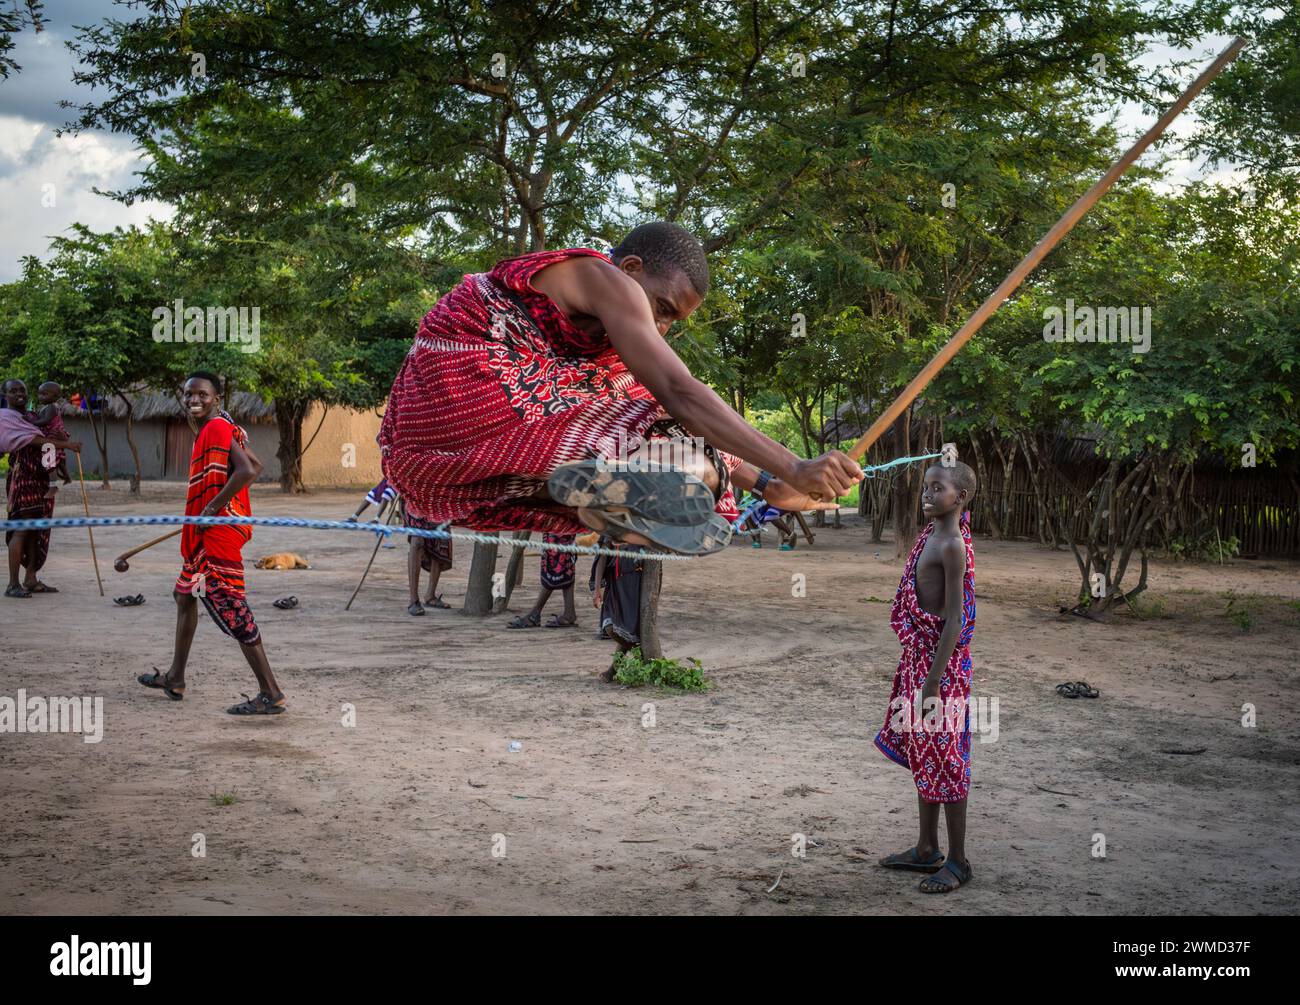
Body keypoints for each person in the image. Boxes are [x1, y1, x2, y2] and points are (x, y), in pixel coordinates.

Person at [379, 222, 857, 554]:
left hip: (430, 447)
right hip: (470, 387)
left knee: (691, 461)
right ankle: (635, 497)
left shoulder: (597, 346)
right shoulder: (605, 279)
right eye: (665, 308)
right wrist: (794, 466)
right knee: (683, 444)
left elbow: (656, 401)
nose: (663, 326)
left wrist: (771, 486)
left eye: (674, 320)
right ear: (630, 268)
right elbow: (678, 392)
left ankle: (623, 498)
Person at [137, 372, 287, 714]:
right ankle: (175, 677)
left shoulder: (216, 427)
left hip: (216, 535)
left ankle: (271, 693)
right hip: (210, 531)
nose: (194, 400)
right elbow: (258, 464)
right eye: (189, 394)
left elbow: (248, 470)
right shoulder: (219, 427)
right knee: (184, 594)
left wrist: (212, 508)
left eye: (202, 394)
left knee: (233, 609)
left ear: (216, 398)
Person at [874, 461, 978, 893]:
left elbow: (955, 619)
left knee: (947, 760)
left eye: (939, 489)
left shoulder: (953, 544)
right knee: (925, 755)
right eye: (926, 487)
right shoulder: (930, 535)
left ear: (962, 498)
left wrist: (933, 682)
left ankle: (957, 861)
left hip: (942, 667)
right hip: (920, 663)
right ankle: (925, 848)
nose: (928, 494)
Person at [2, 379, 81, 598]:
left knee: (36, 530)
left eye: (22, 390)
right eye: (13, 391)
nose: (19, 394)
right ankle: (12, 584)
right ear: (5, 395)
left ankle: (30, 578)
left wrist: (60, 438)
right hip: (23, 480)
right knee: (22, 528)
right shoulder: (7, 418)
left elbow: (49, 438)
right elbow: (35, 441)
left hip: (41, 481)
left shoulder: (34, 416)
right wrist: (67, 445)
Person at [589, 536, 646, 682]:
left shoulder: (642, 526)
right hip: (615, 584)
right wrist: (596, 590)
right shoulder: (612, 524)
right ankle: (643, 658)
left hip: (635, 584)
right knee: (610, 627)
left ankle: (613, 670)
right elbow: (603, 556)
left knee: (626, 629)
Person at [506, 532, 578, 629]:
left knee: (555, 562)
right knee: (564, 563)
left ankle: (534, 614)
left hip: (559, 523)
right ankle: (569, 612)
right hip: (562, 522)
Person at [403, 502, 452, 615]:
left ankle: (430, 595)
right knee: (417, 543)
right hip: (415, 499)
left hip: (439, 500)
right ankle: (413, 600)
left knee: (440, 543)